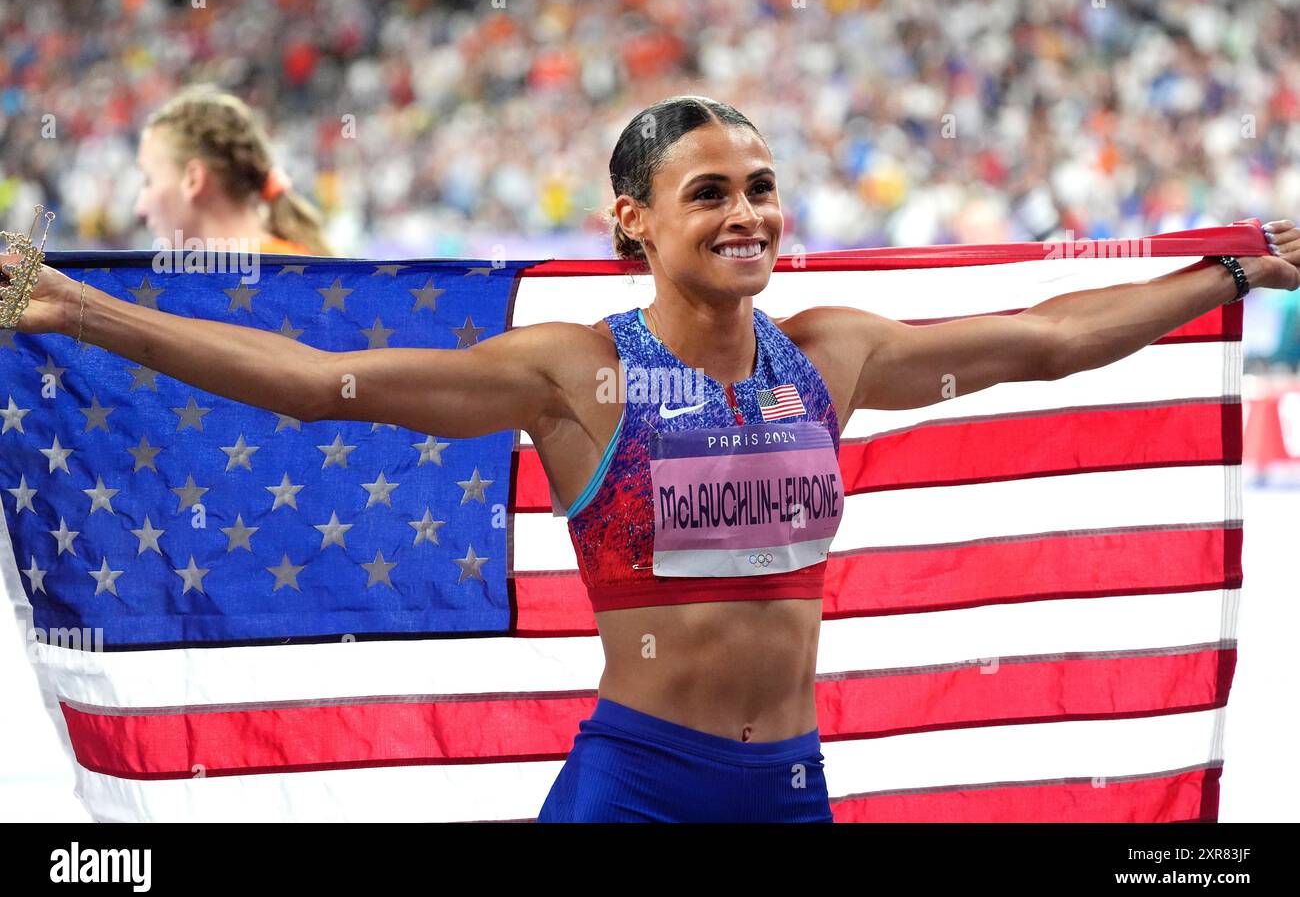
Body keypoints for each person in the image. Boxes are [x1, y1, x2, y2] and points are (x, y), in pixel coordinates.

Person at [4, 95, 1298, 822]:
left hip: (792, 792)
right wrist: (74, 309)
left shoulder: (832, 354)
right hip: (638, 796)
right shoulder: (578, 375)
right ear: (631, 222)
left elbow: (1048, 341)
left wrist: (1236, 272)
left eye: (762, 185)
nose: (749, 212)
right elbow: (314, 385)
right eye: (710, 192)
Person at [133, 83, 332, 256]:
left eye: (149, 180)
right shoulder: (270, 272)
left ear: (193, 179)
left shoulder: (280, 279)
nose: (140, 208)